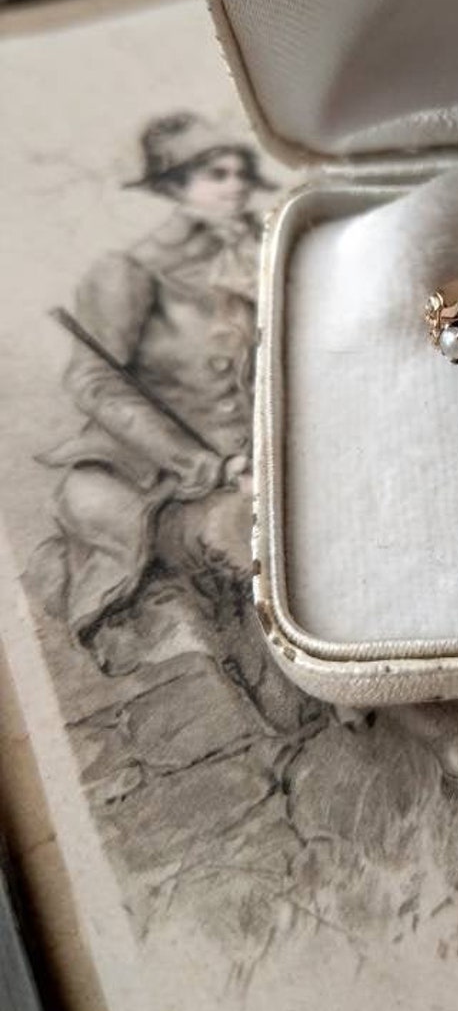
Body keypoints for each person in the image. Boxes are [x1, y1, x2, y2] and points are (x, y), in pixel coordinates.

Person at [40, 112, 272, 638]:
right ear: (175, 184)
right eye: (216, 174)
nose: (235, 185)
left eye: (241, 172)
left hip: (277, 449)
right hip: (184, 476)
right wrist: (208, 463)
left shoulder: (265, 245)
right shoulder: (130, 271)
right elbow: (95, 382)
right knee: (244, 548)